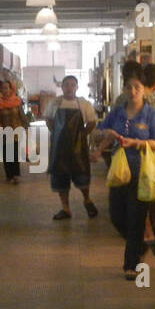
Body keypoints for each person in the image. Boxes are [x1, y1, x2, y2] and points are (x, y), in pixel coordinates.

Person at [97, 72, 155, 279]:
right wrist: (103, 137)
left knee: (136, 217)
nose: (133, 91)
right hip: (119, 171)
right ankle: (138, 245)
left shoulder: (151, 114)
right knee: (117, 216)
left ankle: (131, 264)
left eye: (137, 87)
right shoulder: (117, 113)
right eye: (129, 87)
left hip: (141, 172)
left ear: (144, 90)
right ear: (124, 90)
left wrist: (137, 143)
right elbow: (101, 132)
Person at [42, 75, 98, 220]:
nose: (69, 87)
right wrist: (56, 134)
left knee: (82, 175)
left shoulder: (83, 104)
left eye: (72, 84)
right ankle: (65, 209)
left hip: (79, 148)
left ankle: (87, 200)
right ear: (62, 87)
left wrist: (82, 135)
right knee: (60, 178)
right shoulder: (55, 103)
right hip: (59, 150)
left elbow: (92, 122)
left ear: (77, 87)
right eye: (66, 84)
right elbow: (48, 119)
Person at [0, 79, 24, 183]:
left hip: (16, 131)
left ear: (11, 89)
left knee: (14, 153)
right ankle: (9, 175)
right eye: (3, 88)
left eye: (7, 88)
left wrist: (26, 127)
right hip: (4, 132)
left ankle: (16, 175)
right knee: (6, 154)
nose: (5, 90)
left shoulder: (17, 101)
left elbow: (21, 115)